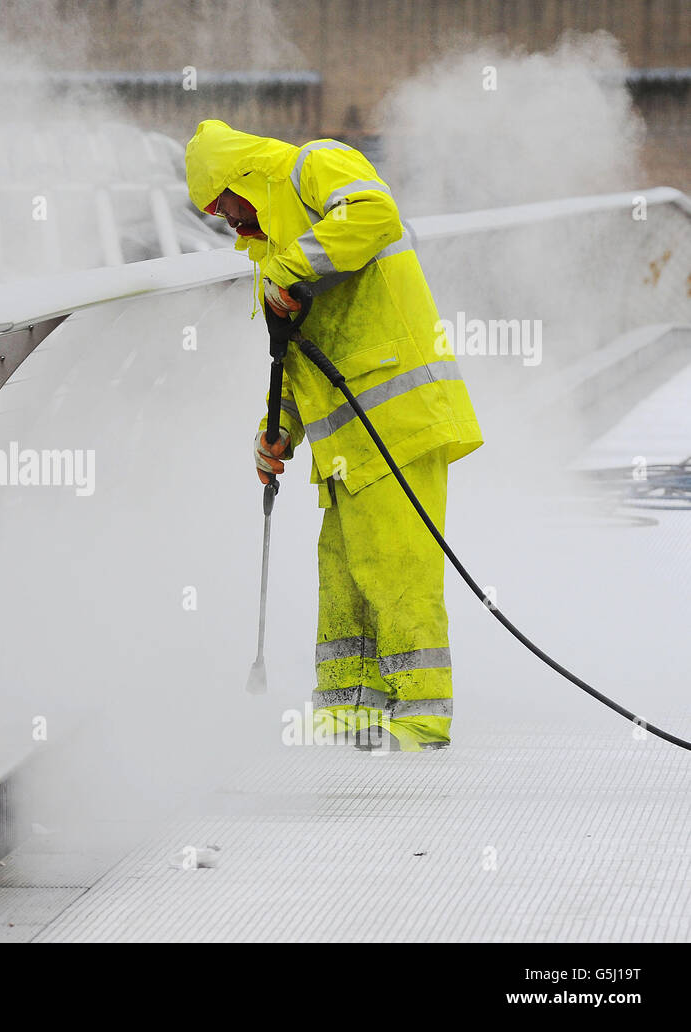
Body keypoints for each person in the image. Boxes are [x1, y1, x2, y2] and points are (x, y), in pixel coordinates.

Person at [184, 119, 483, 752]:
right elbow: (298, 362)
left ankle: (421, 721)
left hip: (398, 424)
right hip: (348, 447)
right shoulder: (274, 257)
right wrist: (278, 430)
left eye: (223, 203)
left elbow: (375, 213)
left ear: (244, 179)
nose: (225, 220)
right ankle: (349, 712)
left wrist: (289, 271)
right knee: (346, 577)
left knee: (399, 572)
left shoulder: (315, 166)